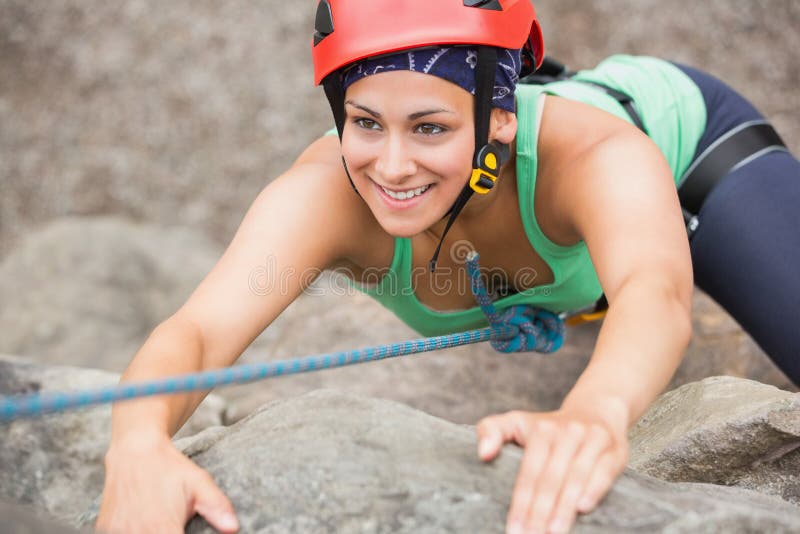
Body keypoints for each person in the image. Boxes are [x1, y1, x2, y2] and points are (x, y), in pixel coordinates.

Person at [96, 1, 799, 533]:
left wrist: (593, 414)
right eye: (366, 122)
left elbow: (656, 294)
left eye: (429, 127)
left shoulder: (598, 160)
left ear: (501, 118)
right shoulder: (325, 197)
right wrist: (135, 445)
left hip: (694, 153)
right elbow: (197, 333)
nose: (391, 167)